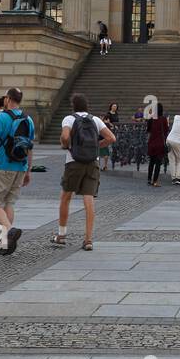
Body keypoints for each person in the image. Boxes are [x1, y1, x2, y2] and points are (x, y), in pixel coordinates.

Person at [53, 93, 115, 250]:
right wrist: (96, 146)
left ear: (73, 106)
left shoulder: (69, 119)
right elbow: (111, 138)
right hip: (92, 162)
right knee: (89, 200)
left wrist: (67, 146)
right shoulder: (95, 119)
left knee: (66, 197)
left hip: (74, 162)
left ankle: (61, 235)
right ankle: (88, 240)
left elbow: (65, 136)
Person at [0, 87, 35, 256]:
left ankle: (10, 231)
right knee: (8, 203)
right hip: (20, 166)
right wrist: (28, 170)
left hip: (2, 166)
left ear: (8, 99)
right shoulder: (28, 119)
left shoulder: (1, 117)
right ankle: (4, 244)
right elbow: (30, 147)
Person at [145, 104, 169, 187]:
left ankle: (149, 179)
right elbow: (166, 130)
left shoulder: (151, 119)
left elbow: (148, 130)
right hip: (160, 143)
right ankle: (155, 181)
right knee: (158, 163)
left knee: (151, 162)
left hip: (151, 143)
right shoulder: (163, 119)